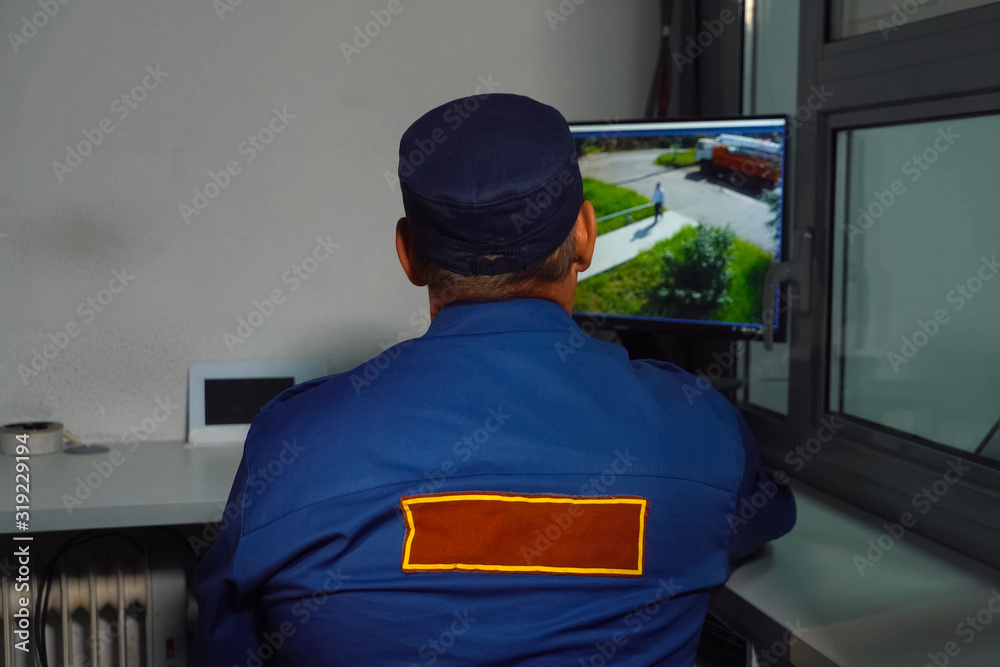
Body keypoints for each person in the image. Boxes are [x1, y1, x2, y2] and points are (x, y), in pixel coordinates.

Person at [192, 93, 796, 666]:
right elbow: (755, 523)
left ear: (408, 254)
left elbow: (228, 639)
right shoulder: (699, 425)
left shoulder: (291, 441)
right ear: (585, 235)